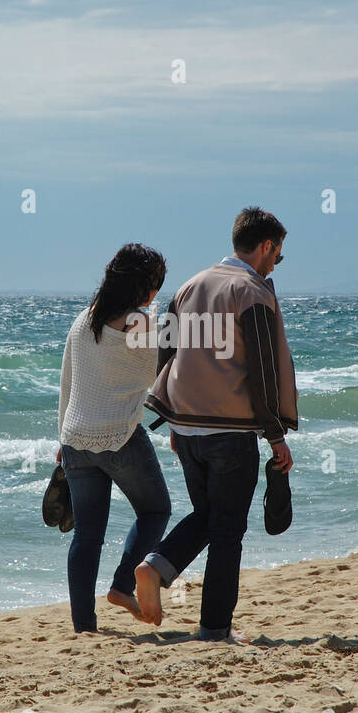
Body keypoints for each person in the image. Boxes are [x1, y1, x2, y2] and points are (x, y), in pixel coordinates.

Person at [134, 207, 299, 640]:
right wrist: (276, 435)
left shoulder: (189, 286)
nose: (275, 264)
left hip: (187, 428)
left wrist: (170, 418)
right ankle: (215, 629)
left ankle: (155, 567)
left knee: (209, 516)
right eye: (278, 255)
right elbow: (264, 371)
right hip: (230, 432)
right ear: (266, 246)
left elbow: (165, 355)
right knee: (228, 533)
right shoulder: (252, 292)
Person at [57, 244, 172, 633]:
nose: (157, 291)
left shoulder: (82, 321)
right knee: (155, 510)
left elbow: (68, 385)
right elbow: (159, 374)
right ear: (144, 284)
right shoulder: (139, 323)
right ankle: (123, 586)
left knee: (87, 536)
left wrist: (63, 439)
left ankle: (83, 626)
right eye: (157, 282)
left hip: (75, 438)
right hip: (118, 436)